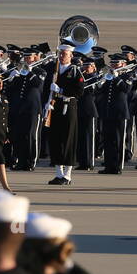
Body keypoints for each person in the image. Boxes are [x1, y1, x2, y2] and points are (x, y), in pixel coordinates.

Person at [44, 43, 85, 185]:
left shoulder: (74, 71)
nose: (62, 56)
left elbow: (79, 91)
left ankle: (67, 175)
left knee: (68, 140)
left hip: (68, 108)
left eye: (65, 54)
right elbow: (46, 89)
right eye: (60, 53)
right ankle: (58, 173)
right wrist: (46, 103)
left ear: (71, 55)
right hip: (55, 107)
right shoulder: (53, 70)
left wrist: (61, 90)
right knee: (55, 140)